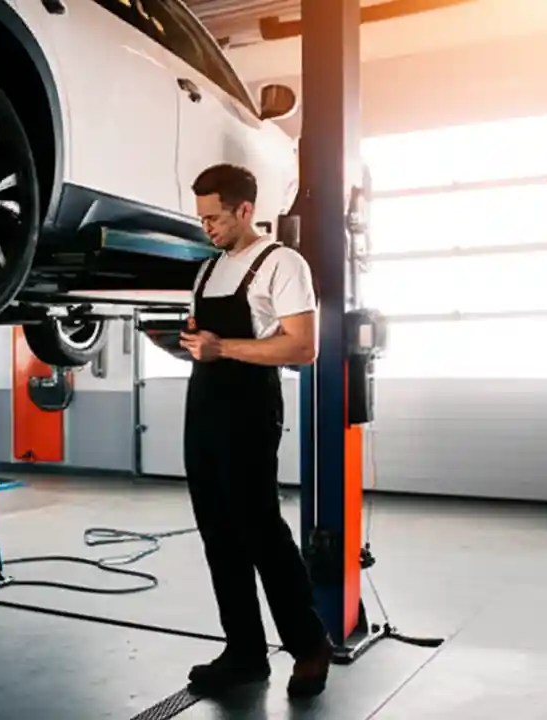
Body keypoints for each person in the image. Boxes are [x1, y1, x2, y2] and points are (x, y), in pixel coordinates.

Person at [179, 163, 333, 699]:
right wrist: (194, 342)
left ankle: (309, 645)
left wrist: (223, 349)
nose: (208, 229)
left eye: (215, 218)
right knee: (216, 532)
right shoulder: (206, 271)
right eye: (201, 220)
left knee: (259, 529)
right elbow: (209, 341)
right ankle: (243, 651)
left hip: (249, 406)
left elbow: (302, 347)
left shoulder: (282, 264)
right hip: (202, 405)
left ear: (245, 210)